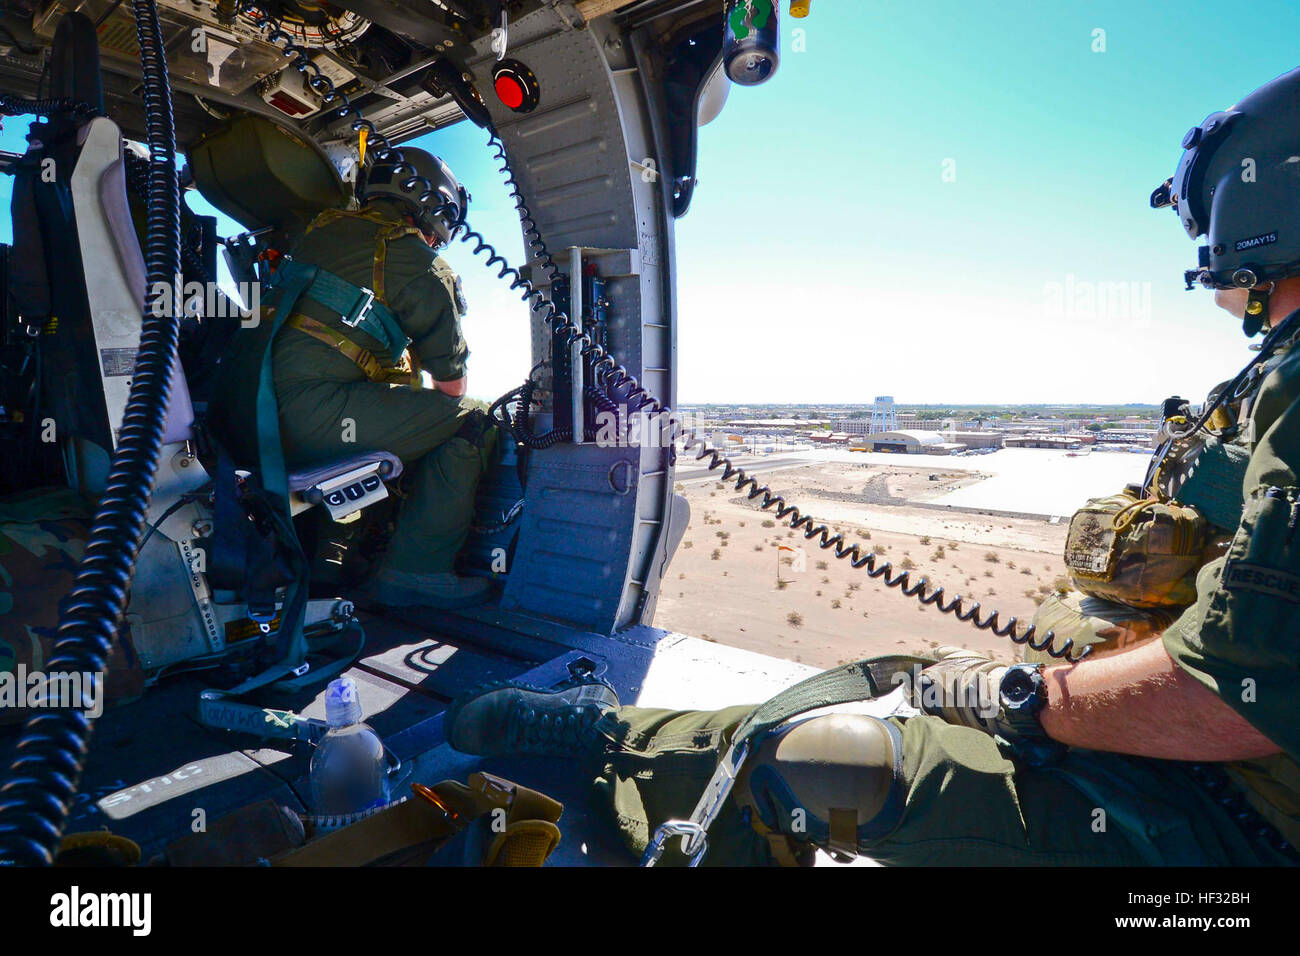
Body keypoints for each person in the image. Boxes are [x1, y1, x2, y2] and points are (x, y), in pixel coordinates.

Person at [441, 68, 1300, 866]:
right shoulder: (1277, 372)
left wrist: (1021, 698)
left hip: (1233, 807)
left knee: (824, 763)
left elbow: (1230, 696)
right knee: (922, 681)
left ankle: (610, 747)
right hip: (1203, 756)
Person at [270, 148, 497, 609]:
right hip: (310, 417)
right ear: (437, 208)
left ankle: (329, 569)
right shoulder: (418, 262)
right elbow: (450, 387)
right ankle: (416, 573)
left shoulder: (317, 233)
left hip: (254, 413)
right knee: (472, 420)